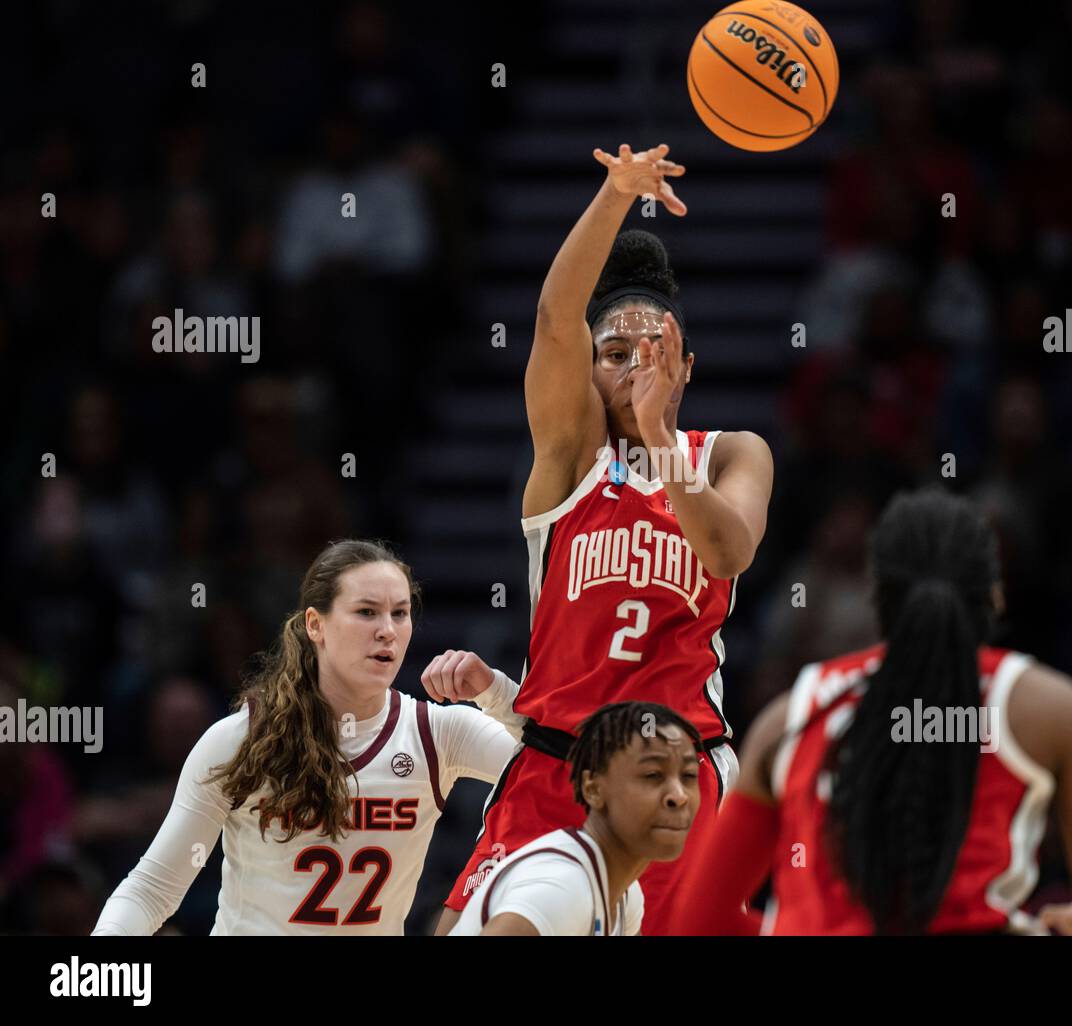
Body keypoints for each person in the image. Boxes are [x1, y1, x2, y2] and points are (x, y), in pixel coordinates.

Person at [435, 142, 774, 936]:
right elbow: (556, 321)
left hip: (675, 771)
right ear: (588, 370)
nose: (631, 370)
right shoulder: (568, 463)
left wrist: (661, 438)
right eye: (613, 356)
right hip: (555, 766)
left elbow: (727, 554)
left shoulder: (730, 452)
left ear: (685, 366)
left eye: (650, 354)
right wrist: (618, 192)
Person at [669, 489, 1072, 935]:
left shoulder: (791, 715)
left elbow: (696, 923)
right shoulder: (1051, 711)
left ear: (878, 601)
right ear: (995, 595)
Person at [93, 540, 519, 935]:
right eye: (367, 612)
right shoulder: (241, 738)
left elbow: (564, 765)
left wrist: (495, 691)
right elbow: (152, 888)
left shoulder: (438, 733)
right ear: (315, 624)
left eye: (400, 613)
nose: (387, 629)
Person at [449, 701, 703, 936]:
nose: (678, 795)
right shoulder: (563, 888)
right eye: (652, 775)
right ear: (592, 788)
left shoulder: (626, 895)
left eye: (689, 775)